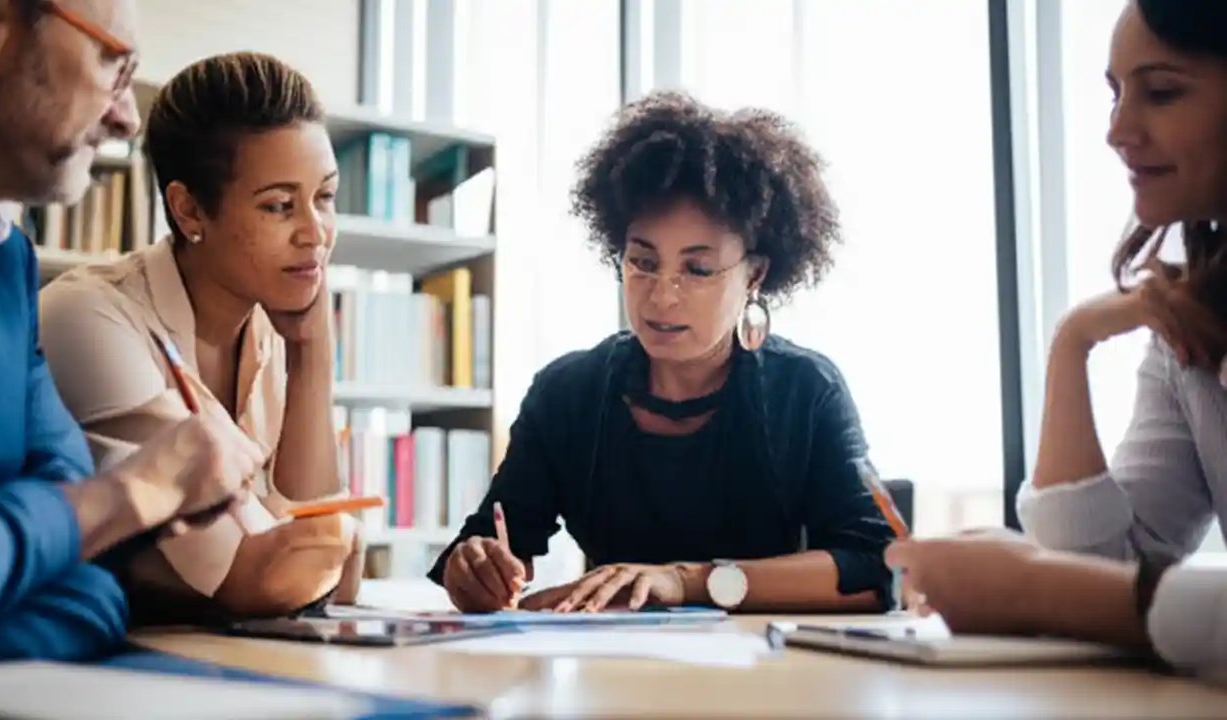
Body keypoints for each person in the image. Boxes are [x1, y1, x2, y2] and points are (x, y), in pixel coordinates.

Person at [430, 92, 897, 614]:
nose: (662, 295)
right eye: (642, 262)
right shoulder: (568, 394)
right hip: (611, 677)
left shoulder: (805, 391)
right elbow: (491, 542)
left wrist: (687, 581)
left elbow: (875, 568)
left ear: (755, 275)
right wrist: (473, 568)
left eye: (697, 270)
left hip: (765, 678)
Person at [890, 0, 1227, 678]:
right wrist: (1072, 342)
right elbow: (1110, 579)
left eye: (1161, 92)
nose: (1117, 130)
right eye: (1115, 94)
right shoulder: (1187, 327)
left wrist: (1027, 586)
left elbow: (1087, 593)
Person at [0, 0, 263, 663]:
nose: (126, 116)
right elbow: (85, 518)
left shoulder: (3, 267)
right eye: (112, 64)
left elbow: (88, 580)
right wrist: (130, 493)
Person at [39, 52, 361, 620]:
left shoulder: (272, 328)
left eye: (325, 198)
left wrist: (312, 356)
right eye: (280, 206)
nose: (316, 234)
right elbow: (253, 576)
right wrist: (324, 548)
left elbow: (328, 581)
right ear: (189, 209)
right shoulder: (89, 318)